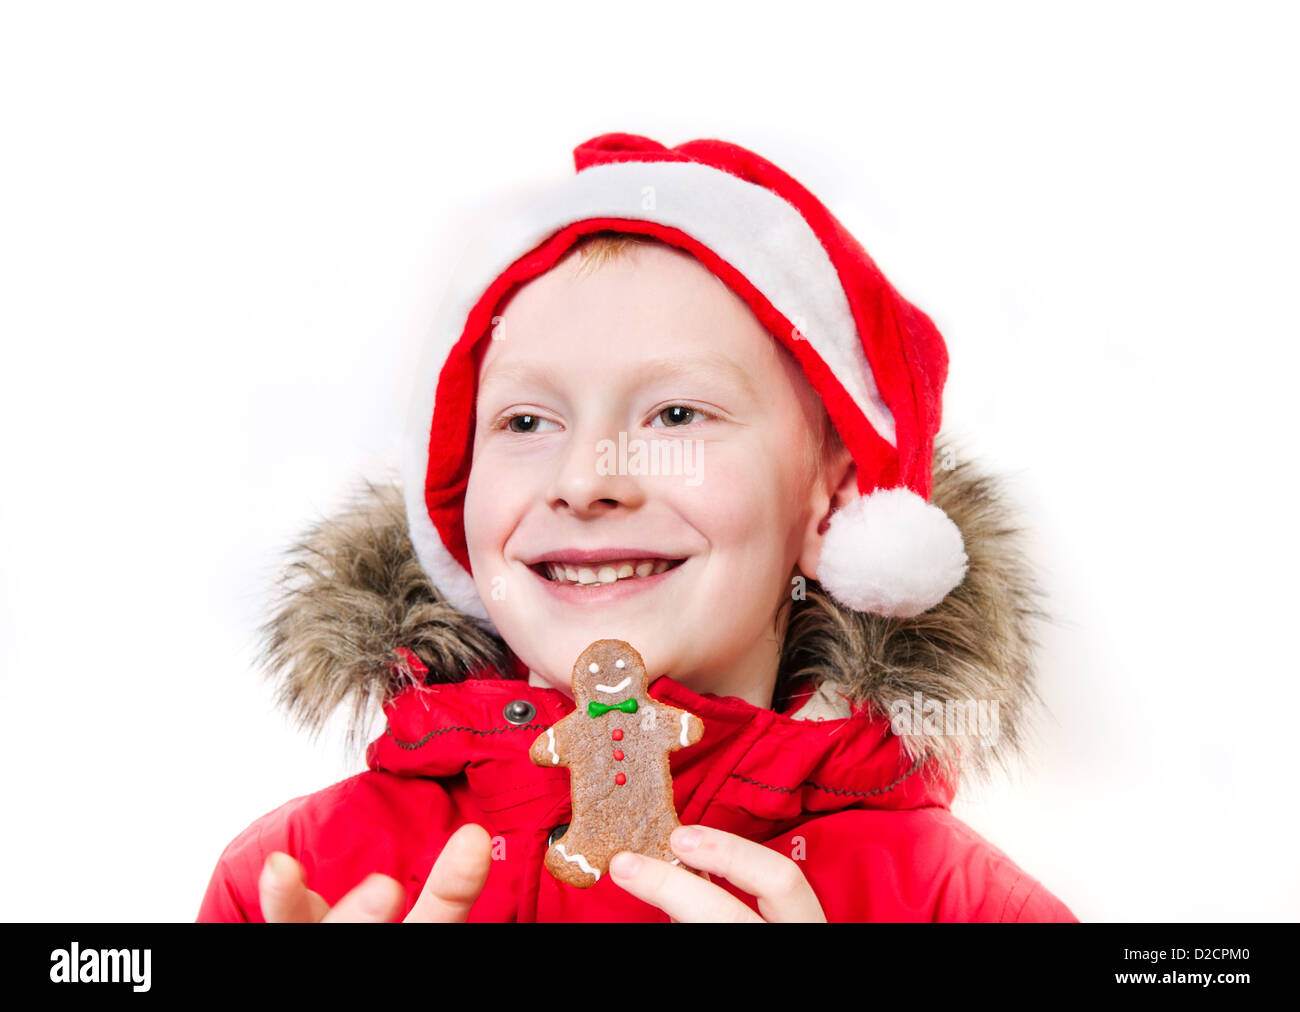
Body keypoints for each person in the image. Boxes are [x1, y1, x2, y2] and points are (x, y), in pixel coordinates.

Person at [197, 132, 1078, 922]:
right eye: (526, 424)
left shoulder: (957, 908)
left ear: (836, 502)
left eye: (676, 416)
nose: (586, 481)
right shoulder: (299, 881)